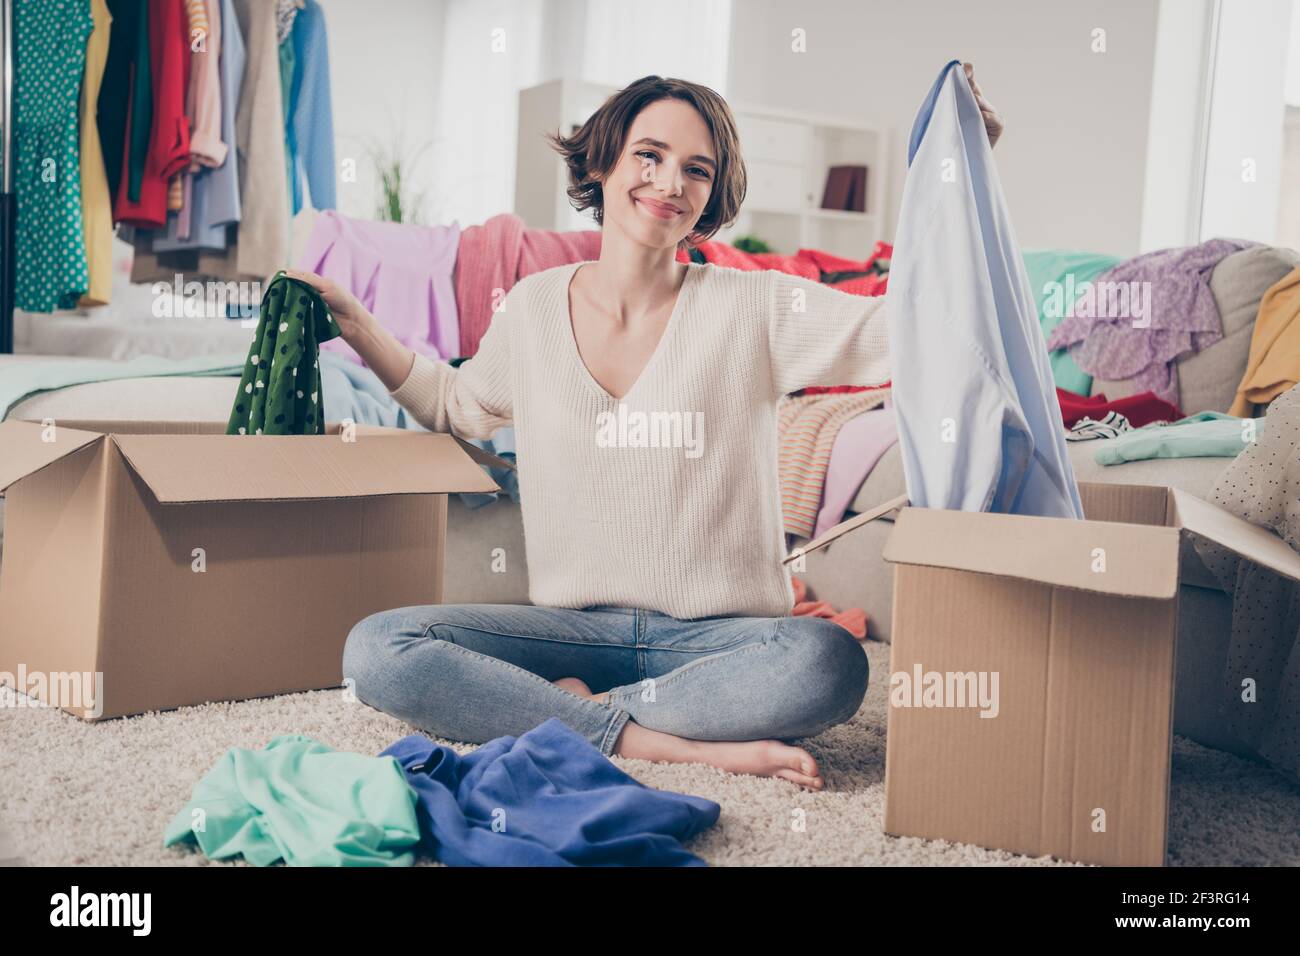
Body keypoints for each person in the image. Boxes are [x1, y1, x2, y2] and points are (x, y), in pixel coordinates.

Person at [287, 65, 1003, 791]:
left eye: (697, 170)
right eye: (649, 156)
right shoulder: (532, 309)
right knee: (378, 647)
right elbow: (456, 406)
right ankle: (669, 745)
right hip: (577, 633)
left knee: (830, 662)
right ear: (602, 162)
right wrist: (356, 321)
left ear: (710, 198)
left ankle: (584, 720)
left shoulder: (752, 307)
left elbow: (909, 325)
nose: (669, 183)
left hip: (719, 641)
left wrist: (958, 181)